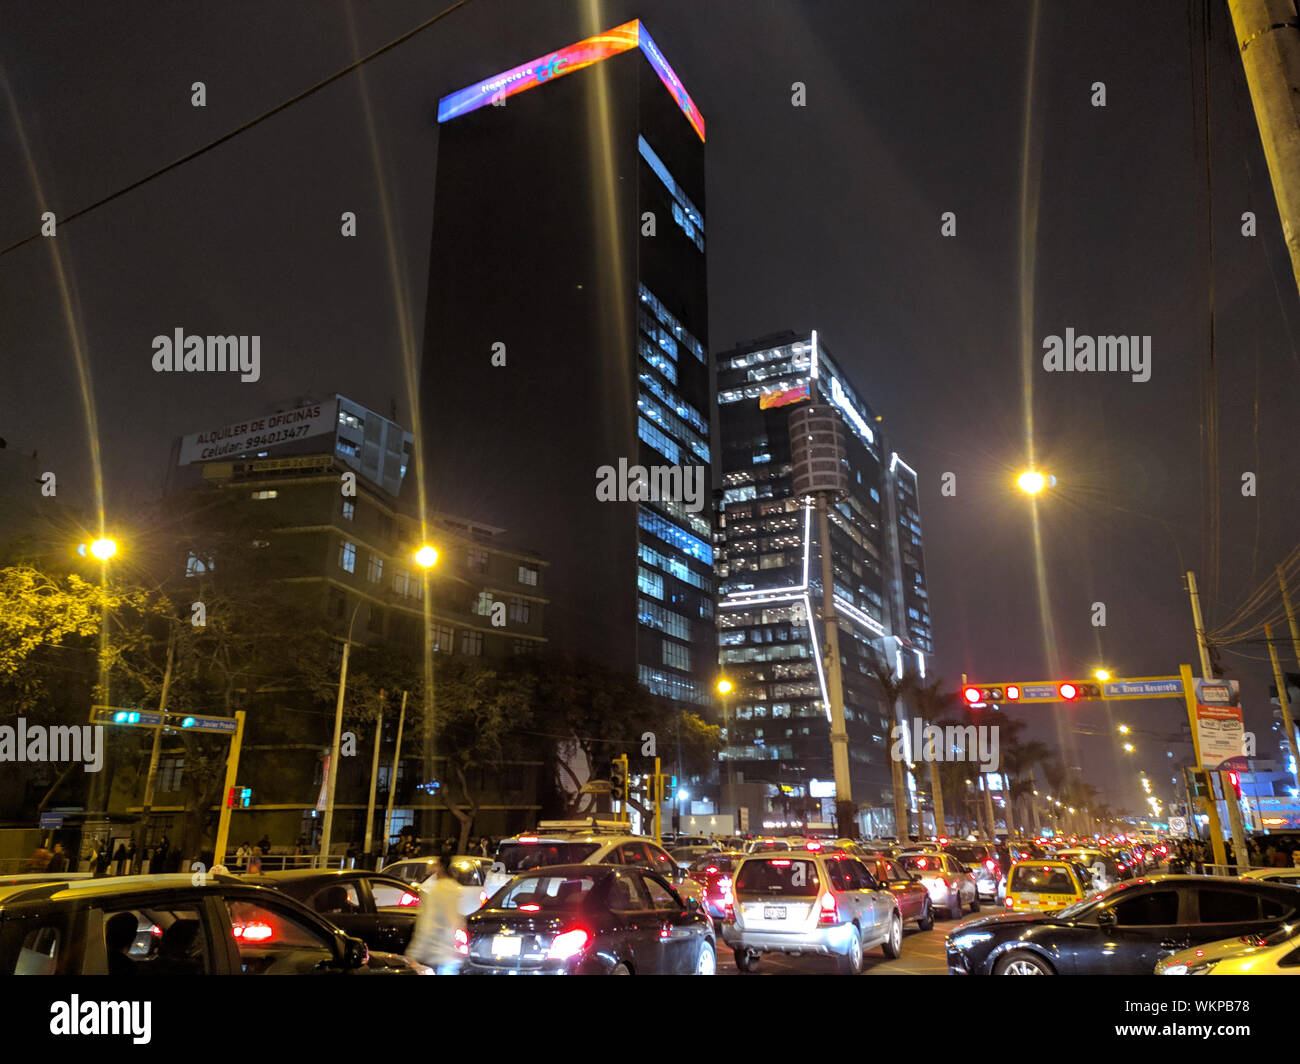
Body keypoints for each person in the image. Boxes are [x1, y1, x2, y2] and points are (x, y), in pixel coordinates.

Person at [405, 858, 464, 974]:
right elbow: (458, 923)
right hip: (450, 956)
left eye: (435, 866)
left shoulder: (435, 892)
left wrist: (414, 953)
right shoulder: (455, 890)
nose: (432, 870)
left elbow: (428, 925)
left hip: (435, 957)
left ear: (441, 868)